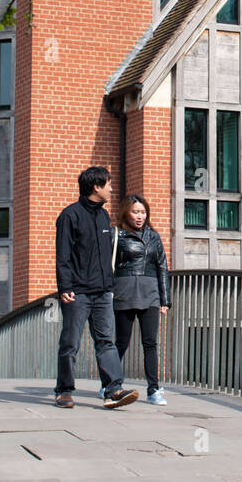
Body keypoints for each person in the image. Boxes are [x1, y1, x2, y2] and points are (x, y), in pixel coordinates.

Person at [54, 166, 139, 409]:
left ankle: (113, 389)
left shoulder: (103, 217)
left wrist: (109, 286)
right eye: (109, 184)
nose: (112, 188)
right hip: (77, 291)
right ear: (96, 187)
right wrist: (64, 287)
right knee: (70, 342)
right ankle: (64, 390)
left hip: (102, 292)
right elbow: (63, 256)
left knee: (106, 341)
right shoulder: (70, 216)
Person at [113, 194, 171, 406]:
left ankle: (153, 389)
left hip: (150, 293)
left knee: (151, 343)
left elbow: (162, 268)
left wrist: (165, 300)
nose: (140, 216)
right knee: (121, 342)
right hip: (124, 291)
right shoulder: (116, 235)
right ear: (126, 213)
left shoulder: (153, 236)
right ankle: (111, 385)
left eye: (143, 212)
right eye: (135, 212)